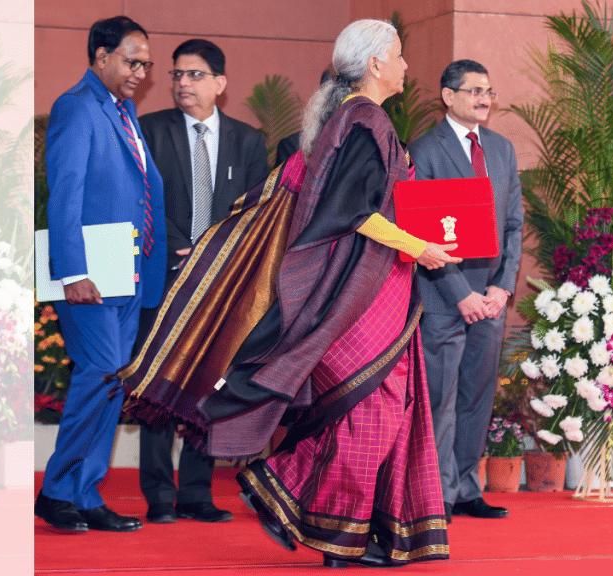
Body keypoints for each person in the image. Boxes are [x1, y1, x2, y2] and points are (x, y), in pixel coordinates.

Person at [120, 19, 453, 568]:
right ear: (375, 64)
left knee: (366, 411)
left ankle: (328, 520)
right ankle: (332, 531)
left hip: (370, 292)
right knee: (369, 412)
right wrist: (419, 247)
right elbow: (351, 211)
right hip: (358, 298)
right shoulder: (364, 120)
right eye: (397, 55)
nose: (405, 66)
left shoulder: (351, 119)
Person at [34, 15, 167, 534]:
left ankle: (85, 494)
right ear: (101, 57)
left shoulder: (124, 111)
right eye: (132, 62)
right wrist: (72, 272)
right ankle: (57, 490)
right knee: (102, 371)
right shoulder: (76, 106)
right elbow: (64, 194)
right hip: (89, 275)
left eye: (146, 65)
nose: (140, 73)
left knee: (112, 382)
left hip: (127, 272)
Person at [134, 38, 269, 525]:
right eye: (177, 74)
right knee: (159, 385)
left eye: (195, 74)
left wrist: (214, 253)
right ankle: (158, 495)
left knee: (207, 386)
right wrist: (179, 247)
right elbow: (142, 199)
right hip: (166, 273)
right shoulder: (151, 130)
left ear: (220, 83)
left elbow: (255, 212)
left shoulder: (248, 141)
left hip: (220, 282)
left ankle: (196, 492)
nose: (183, 83)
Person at [407, 59, 522, 521]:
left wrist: (502, 288)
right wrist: (461, 293)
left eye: (488, 91)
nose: (483, 99)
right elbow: (419, 231)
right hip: (444, 298)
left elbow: (513, 225)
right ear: (448, 96)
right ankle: (438, 494)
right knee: (441, 399)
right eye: (474, 90)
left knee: (477, 395)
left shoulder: (501, 149)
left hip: (490, 299)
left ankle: (468, 488)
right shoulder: (423, 150)